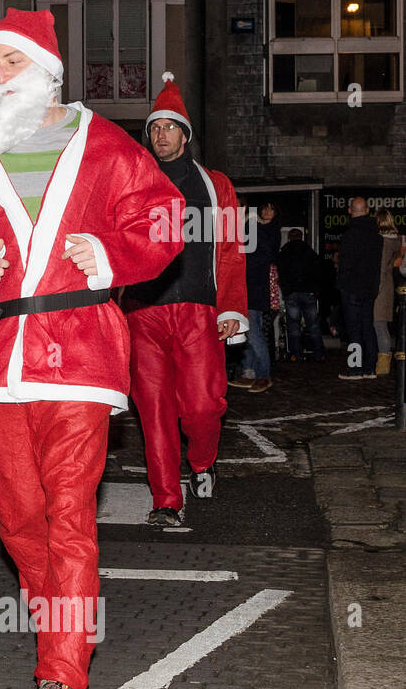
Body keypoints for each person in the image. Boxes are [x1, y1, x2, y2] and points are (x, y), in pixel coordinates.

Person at [0, 8, 181, 689]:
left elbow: (163, 217)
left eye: (6, 62)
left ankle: (59, 671)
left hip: (81, 357)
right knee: (18, 518)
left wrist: (118, 257)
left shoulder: (103, 142)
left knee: (70, 515)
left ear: (45, 69)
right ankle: (66, 616)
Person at [122, 74, 247, 527]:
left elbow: (232, 250)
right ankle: (165, 500)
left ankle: (203, 461)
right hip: (144, 311)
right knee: (154, 411)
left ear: (185, 134)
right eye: (155, 128)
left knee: (203, 405)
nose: (161, 135)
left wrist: (232, 307)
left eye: (169, 127)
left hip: (199, 310)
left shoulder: (216, 186)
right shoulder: (132, 183)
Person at [232, 202, 279, 392]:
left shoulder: (252, 227)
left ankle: (262, 374)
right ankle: (249, 372)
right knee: (248, 332)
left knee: (253, 334)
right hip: (250, 289)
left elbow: (262, 256)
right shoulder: (248, 227)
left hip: (251, 289)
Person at [336, 197, 384, 380]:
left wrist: (342, 282)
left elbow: (346, 264)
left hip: (351, 287)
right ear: (367, 211)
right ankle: (370, 367)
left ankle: (355, 368)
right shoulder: (376, 236)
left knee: (354, 329)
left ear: (350, 211)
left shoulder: (349, 235)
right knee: (367, 326)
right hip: (369, 287)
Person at [277, 228, 325, 363]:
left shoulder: (284, 253)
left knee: (293, 326)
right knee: (313, 324)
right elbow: (318, 272)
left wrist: (286, 290)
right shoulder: (310, 252)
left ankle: (296, 354)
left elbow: (281, 273)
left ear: (289, 238)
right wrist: (315, 290)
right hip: (308, 292)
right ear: (302, 237)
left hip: (291, 293)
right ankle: (319, 353)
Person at [372, 208, 401, 376]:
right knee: (381, 326)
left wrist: (376, 290)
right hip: (388, 287)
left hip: (380, 289)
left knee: (379, 325)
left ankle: (383, 365)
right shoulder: (395, 240)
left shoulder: (383, 243)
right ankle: (383, 362)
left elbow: (381, 269)